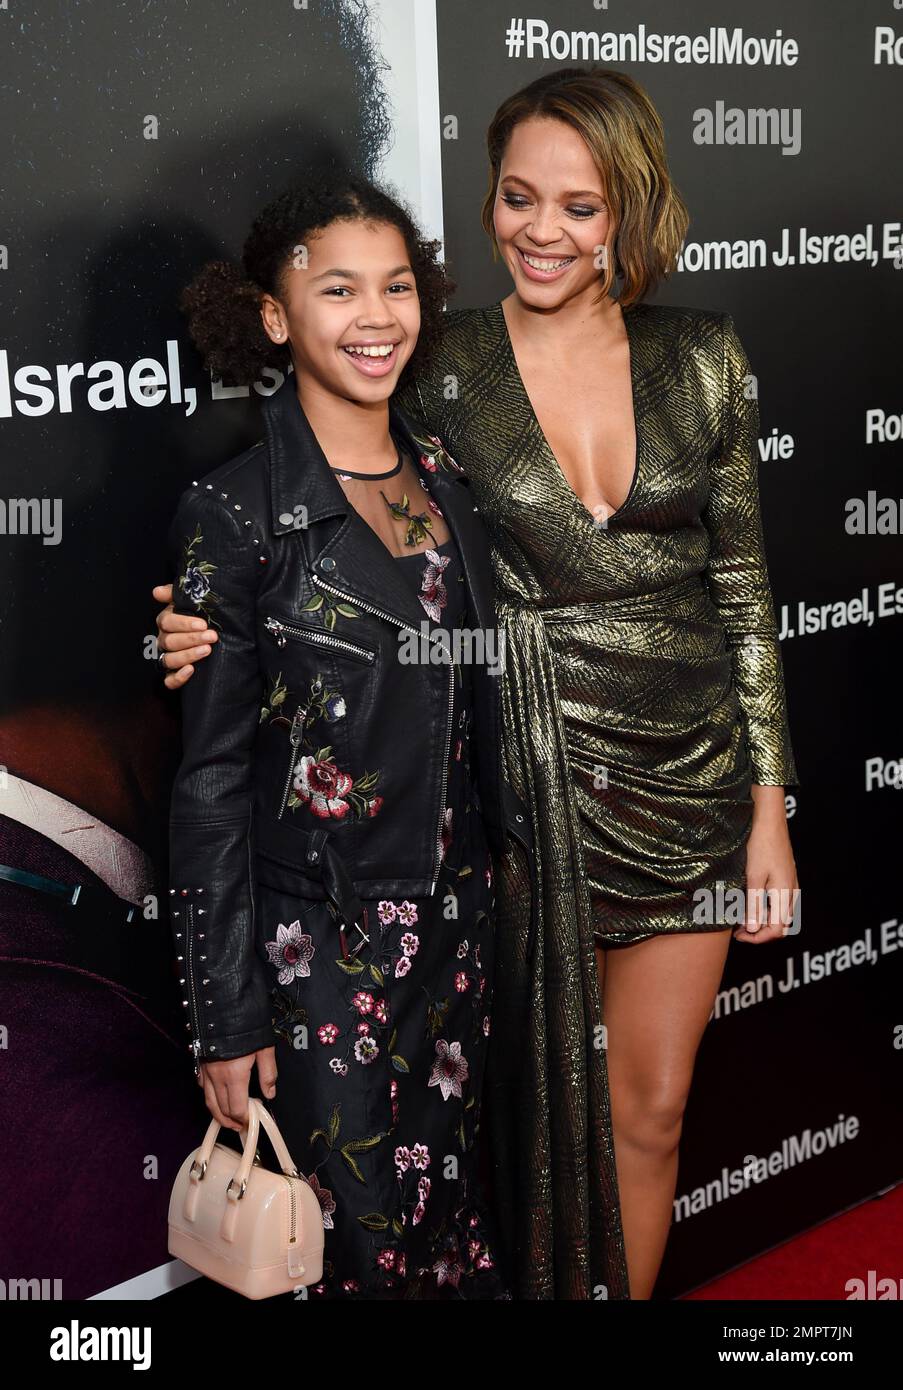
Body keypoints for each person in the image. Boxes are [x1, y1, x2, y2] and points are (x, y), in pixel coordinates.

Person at [151, 68, 800, 1302]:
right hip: (520, 784)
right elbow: (316, 532)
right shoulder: (437, 360)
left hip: (688, 778)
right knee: (508, 1132)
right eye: (516, 197)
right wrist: (198, 624)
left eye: (580, 204)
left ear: (630, 211)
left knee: (649, 1113)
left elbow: (746, 593)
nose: (543, 229)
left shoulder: (703, 358)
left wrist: (770, 810)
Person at [162, 174, 532, 1299]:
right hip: (317, 955)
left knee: (457, 1235)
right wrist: (223, 1017)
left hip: (458, 938)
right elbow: (212, 782)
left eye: (396, 286)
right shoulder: (234, 514)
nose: (377, 316)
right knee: (350, 1256)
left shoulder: (448, 482)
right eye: (337, 289)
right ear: (274, 315)